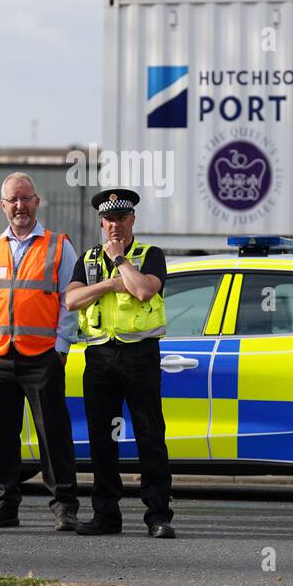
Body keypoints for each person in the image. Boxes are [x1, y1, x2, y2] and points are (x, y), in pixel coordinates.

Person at [0, 172, 80, 531]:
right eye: (12, 200)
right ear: (2, 205)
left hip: (42, 356)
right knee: (2, 434)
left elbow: (70, 301)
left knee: (54, 434)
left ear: (37, 202)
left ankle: (64, 505)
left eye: (26, 198)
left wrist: (60, 348)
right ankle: (5, 505)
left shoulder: (58, 245)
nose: (20, 205)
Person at [65, 188, 174, 538]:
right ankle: (106, 515)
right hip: (99, 357)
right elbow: (71, 300)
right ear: (102, 221)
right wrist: (112, 284)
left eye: (122, 218)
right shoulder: (88, 258)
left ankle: (158, 516)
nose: (115, 225)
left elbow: (144, 291)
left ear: (132, 220)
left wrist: (121, 263)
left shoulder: (149, 254)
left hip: (140, 355)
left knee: (149, 436)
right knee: (101, 438)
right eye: (109, 219)